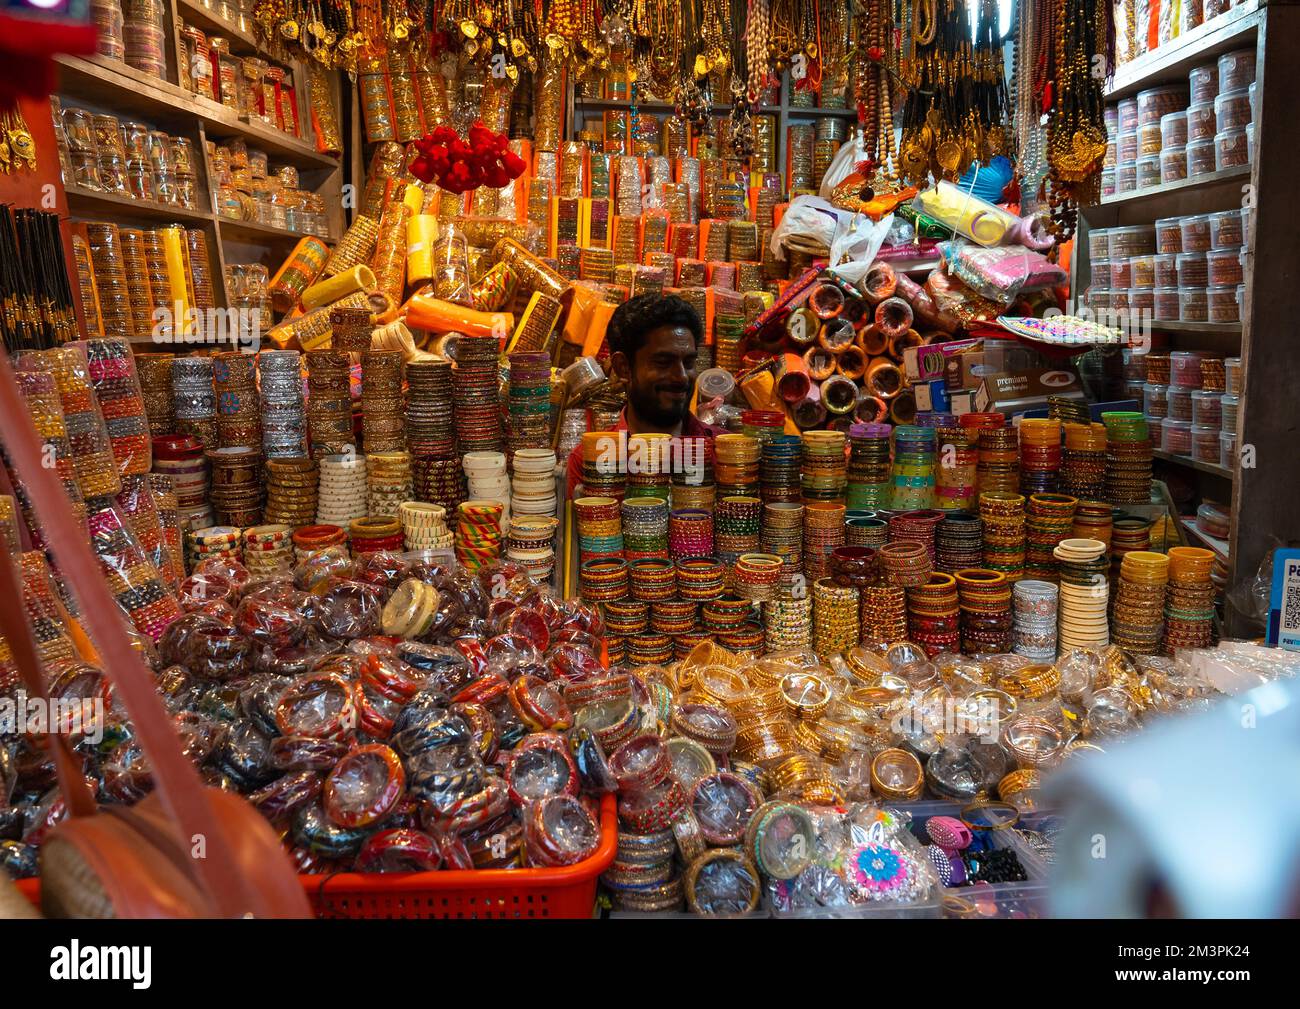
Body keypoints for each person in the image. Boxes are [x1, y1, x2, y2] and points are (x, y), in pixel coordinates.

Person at [566, 293, 723, 498]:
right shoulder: (588, 461)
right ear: (623, 368)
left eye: (689, 362)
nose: (682, 377)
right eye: (663, 362)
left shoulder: (722, 450)